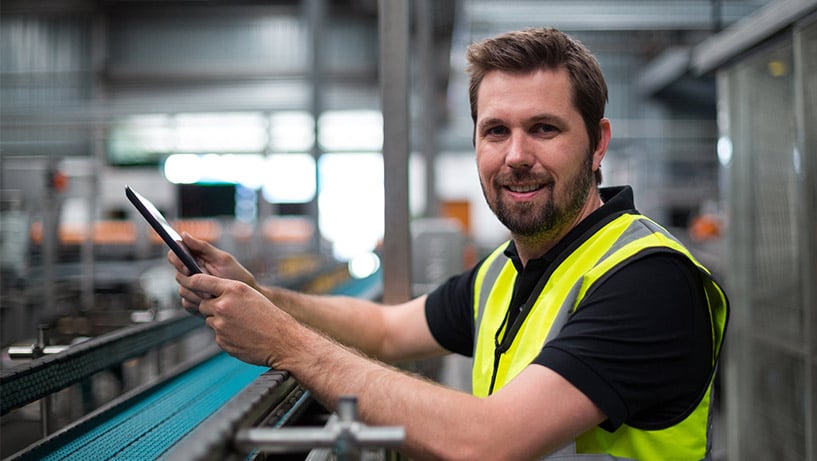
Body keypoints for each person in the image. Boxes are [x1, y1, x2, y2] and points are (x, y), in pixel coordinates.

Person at [170, 27, 728, 460]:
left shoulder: (648, 280)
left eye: (544, 128)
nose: (515, 156)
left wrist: (285, 342)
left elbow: (487, 444)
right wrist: (260, 295)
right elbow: (386, 330)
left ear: (598, 143)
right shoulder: (503, 272)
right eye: (496, 131)